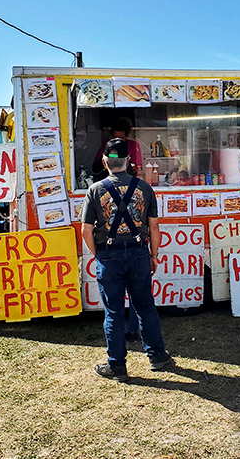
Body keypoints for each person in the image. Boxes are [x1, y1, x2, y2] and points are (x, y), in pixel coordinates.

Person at [81, 138, 173, 381]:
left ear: (104, 162)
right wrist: (154, 254)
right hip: (138, 253)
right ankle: (158, 357)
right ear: (128, 162)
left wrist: (98, 254)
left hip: (108, 255)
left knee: (113, 312)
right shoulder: (144, 188)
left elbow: (86, 230)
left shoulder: (95, 190)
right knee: (145, 306)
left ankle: (117, 366)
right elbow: (154, 227)